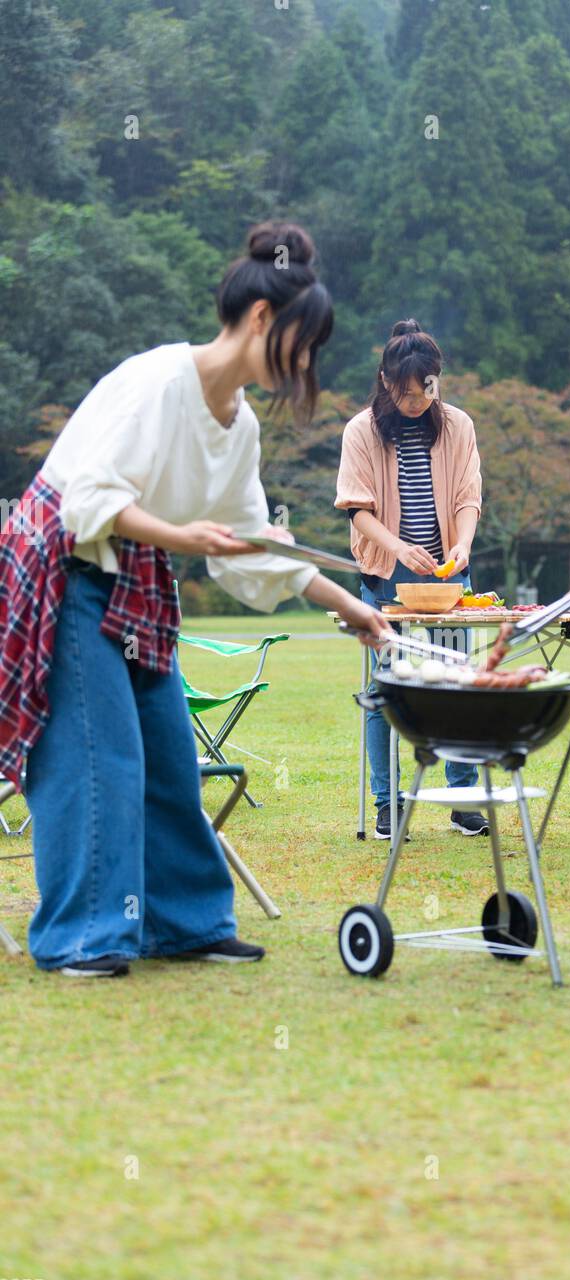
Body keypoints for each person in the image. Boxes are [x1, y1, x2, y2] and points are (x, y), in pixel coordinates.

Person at [0, 221, 391, 979]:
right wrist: (187, 538)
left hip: (137, 578)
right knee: (97, 756)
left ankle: (183, 924)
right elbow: (90, 501)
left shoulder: (238, 423)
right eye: (302, 344)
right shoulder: (159, 383)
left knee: (169, 757)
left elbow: (253, 546)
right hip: (67, 568)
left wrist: (346, 602)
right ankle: (83, 935)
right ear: (259, 320)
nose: (305, 364)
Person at [335, 319, 488, 840]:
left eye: (427, 388)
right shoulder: (361, 431)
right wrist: (398, 547)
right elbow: (356, 510)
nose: (417, 399)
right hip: (384, 578)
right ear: (384, 381)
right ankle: (387, 802)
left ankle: (462, 798)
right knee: (387, 690)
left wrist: (462, 543)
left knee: (455, 686)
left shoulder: (459, 426)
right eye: (405, 391)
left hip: (448, 578)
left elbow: (468, 497)